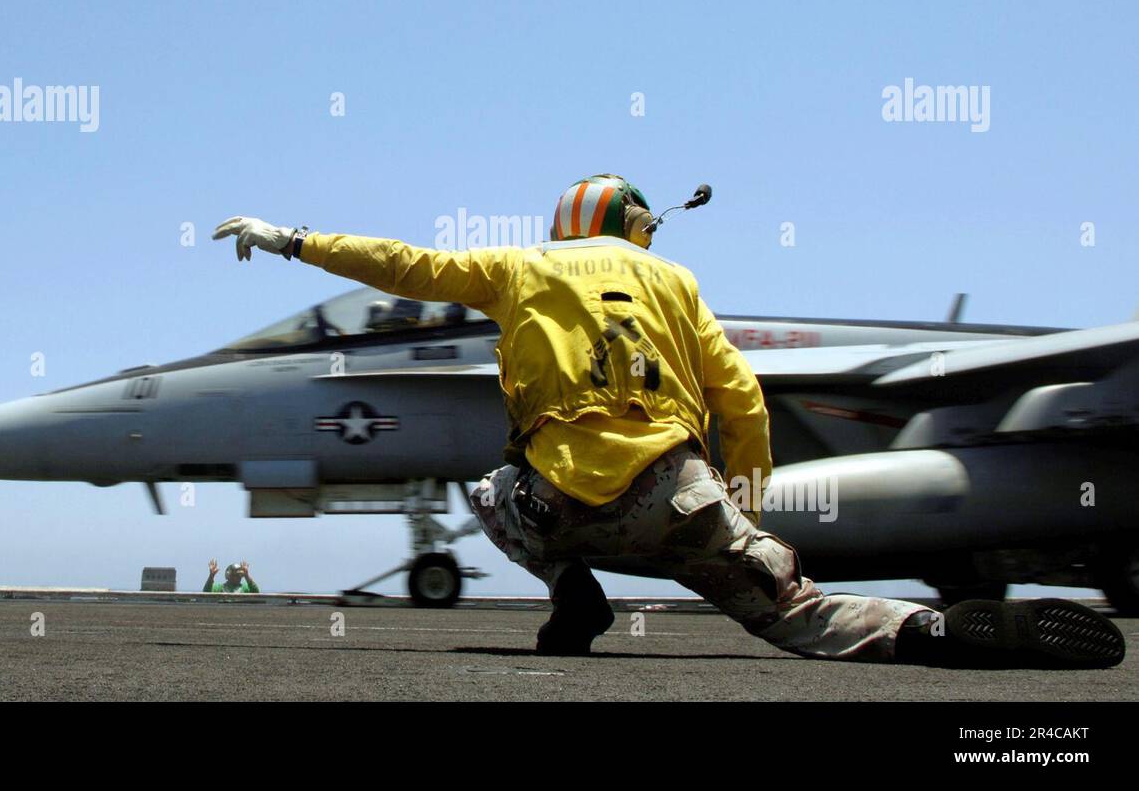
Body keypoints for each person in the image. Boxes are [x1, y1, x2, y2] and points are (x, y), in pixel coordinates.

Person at [212, 175, 1124, 668]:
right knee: (800, 620)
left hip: (558, 496)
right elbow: (744, 398)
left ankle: (573, 589)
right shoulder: (676, 282)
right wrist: (749, 505)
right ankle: (935, 633)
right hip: (682, 496)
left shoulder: (516, 270)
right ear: (635, 225)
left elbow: (400, 263)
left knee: (493, 488)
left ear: (567, 222)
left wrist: (291, 238)